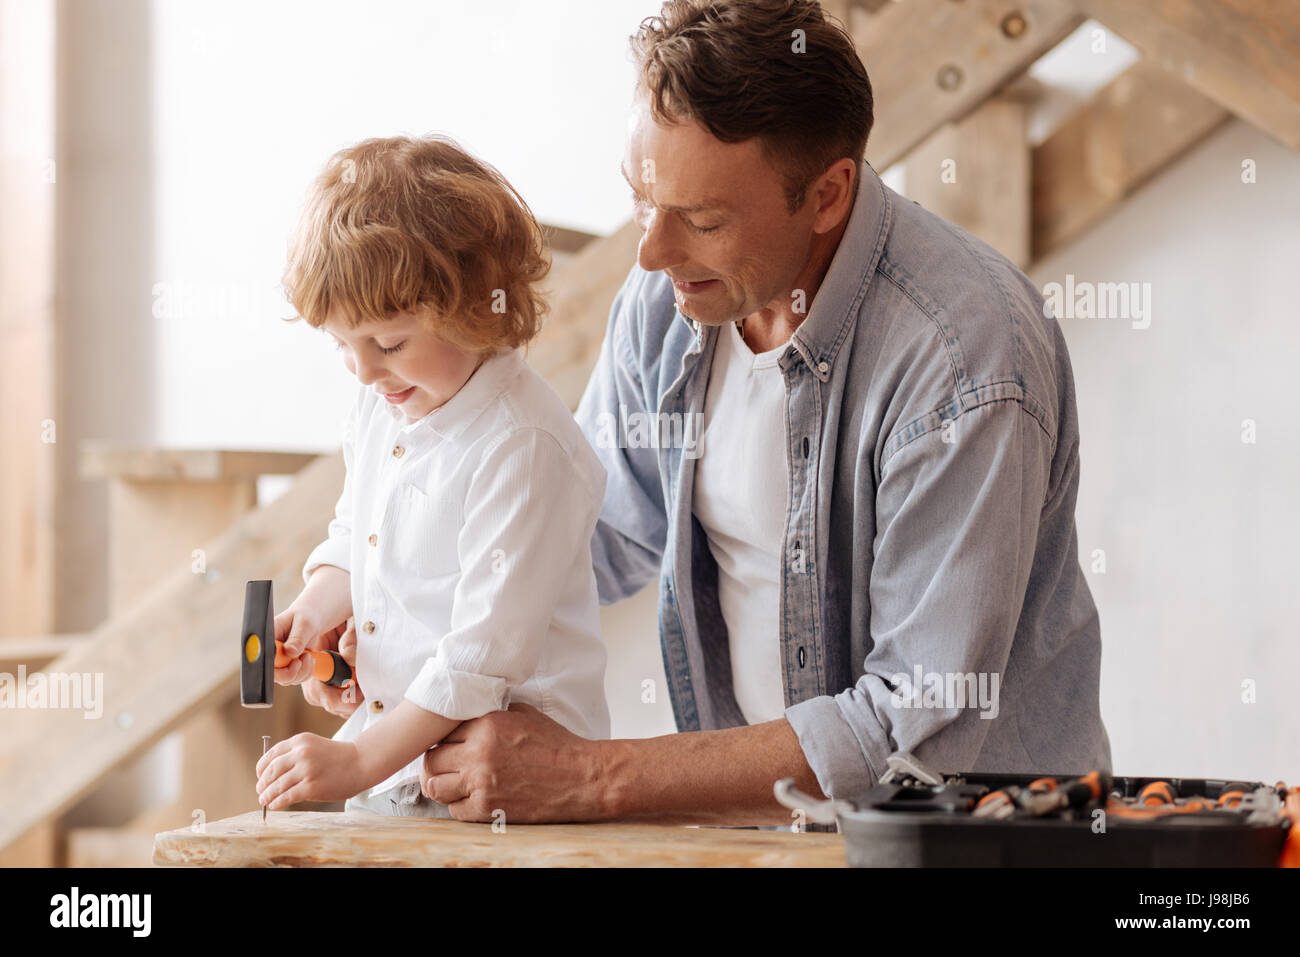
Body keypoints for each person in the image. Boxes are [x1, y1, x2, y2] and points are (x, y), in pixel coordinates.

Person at [412, 0, 1111, 826]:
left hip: (971, 845)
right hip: (763, 837)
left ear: (827, 194)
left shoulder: (965, 359)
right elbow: (584, 532)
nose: (651, 253)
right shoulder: (665, 300)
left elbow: (916, 724)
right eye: (642, 202)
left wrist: (593, 777)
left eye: (702, 221)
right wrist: (400, 617)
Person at [255, 134, 611, 817]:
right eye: (342, 346)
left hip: (510, 785)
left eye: (387, 343)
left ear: (478, 307)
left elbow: (480, 660)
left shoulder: (523, 446)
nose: (362, 370)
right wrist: (318, 606)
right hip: (403, 767)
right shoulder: (385, 402)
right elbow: (355, 531)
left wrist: (358, 759)